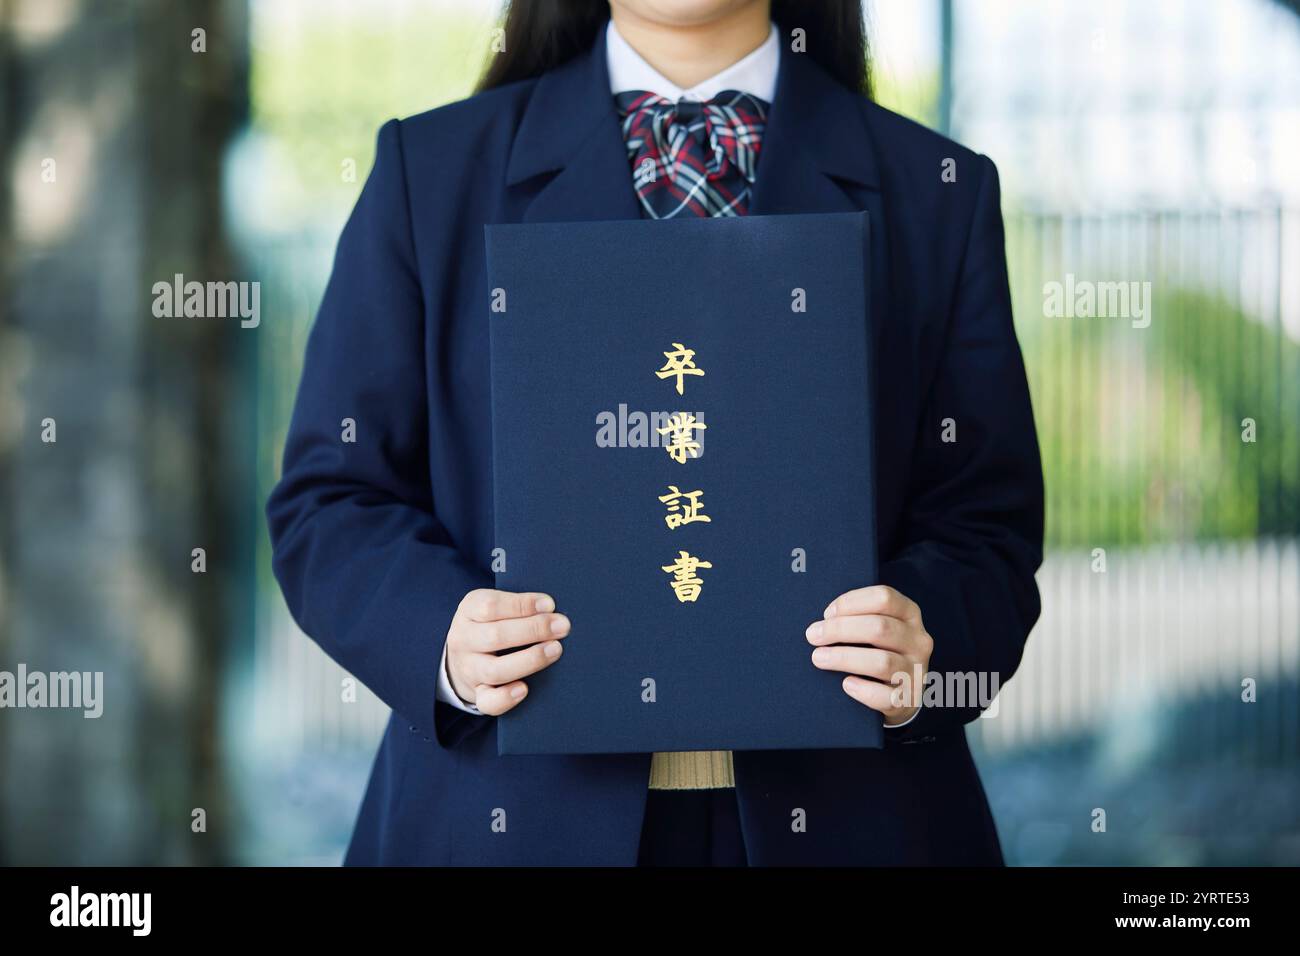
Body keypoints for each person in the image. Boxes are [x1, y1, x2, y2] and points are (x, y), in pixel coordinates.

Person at [266, 0, 1044, 866]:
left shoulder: (936, 188)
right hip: (506, 824)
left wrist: (919, 638)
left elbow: (989, 527)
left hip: (851, 824)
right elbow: (329, 500)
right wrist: (440, 635)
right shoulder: (432, 172)